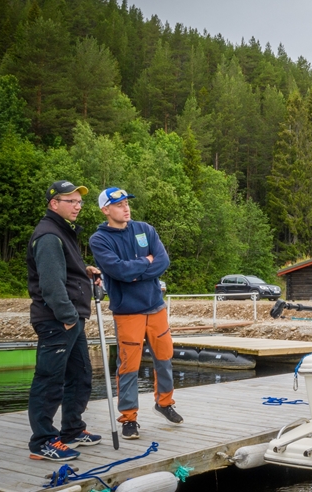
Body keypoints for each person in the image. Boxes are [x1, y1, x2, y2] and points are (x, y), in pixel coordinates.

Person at [89, 187, 183, 441]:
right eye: (119, 205)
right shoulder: (99, 239)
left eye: (127, 203)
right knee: (129, 365)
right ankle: (129, 418)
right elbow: (118, 271)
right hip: (127, 311)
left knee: (165, 357)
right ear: (106, 210)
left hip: (156, 306)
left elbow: (163, 261)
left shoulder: (145, 229)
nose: (126, 208)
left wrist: (136, 272)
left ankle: (164, 403)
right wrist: (146, 263)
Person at [26, 181, 103, 461]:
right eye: (71, 201)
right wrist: (69, 317)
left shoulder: (62, 232)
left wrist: (85, 270)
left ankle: (72, 429)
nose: (78, 206)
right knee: (49, 380)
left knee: (80, 375)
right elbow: (50, 284)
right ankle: (43, 442)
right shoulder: (49, 235)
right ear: (54, 203)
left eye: (79, 201)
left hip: (70, 319)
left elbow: (65, 270)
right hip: (58, 320)